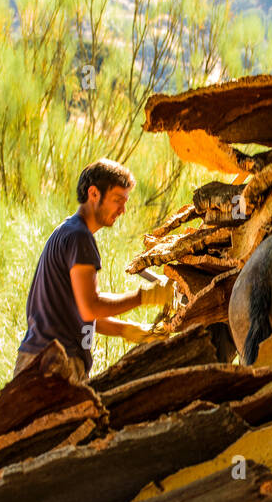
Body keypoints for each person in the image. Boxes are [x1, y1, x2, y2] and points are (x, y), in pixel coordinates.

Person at [13, 159, 177, 381]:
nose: (123, 209)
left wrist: (130, 330)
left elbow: (82, 310)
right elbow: (91, 307)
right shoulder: (79, 238)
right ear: (94, 194)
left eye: (125, 201)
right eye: (118, 199)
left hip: (42, 360)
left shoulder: (66, 232)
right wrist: (144, 297)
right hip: (56, 366)